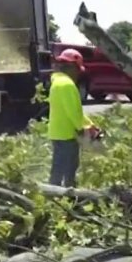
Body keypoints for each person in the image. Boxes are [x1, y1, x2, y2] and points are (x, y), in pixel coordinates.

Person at [47, 49, 98, 187]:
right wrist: (81, 128)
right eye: (77, 70)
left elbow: (75, 110)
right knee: (69, 168)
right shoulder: (67, 85)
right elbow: (72, 112)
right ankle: (67, 194)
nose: (78, 74)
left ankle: (53, 194)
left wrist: (90, 124)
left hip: (58, 132)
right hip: (67, 134)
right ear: (71, 67)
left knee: (58, 167)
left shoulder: (57, 83)